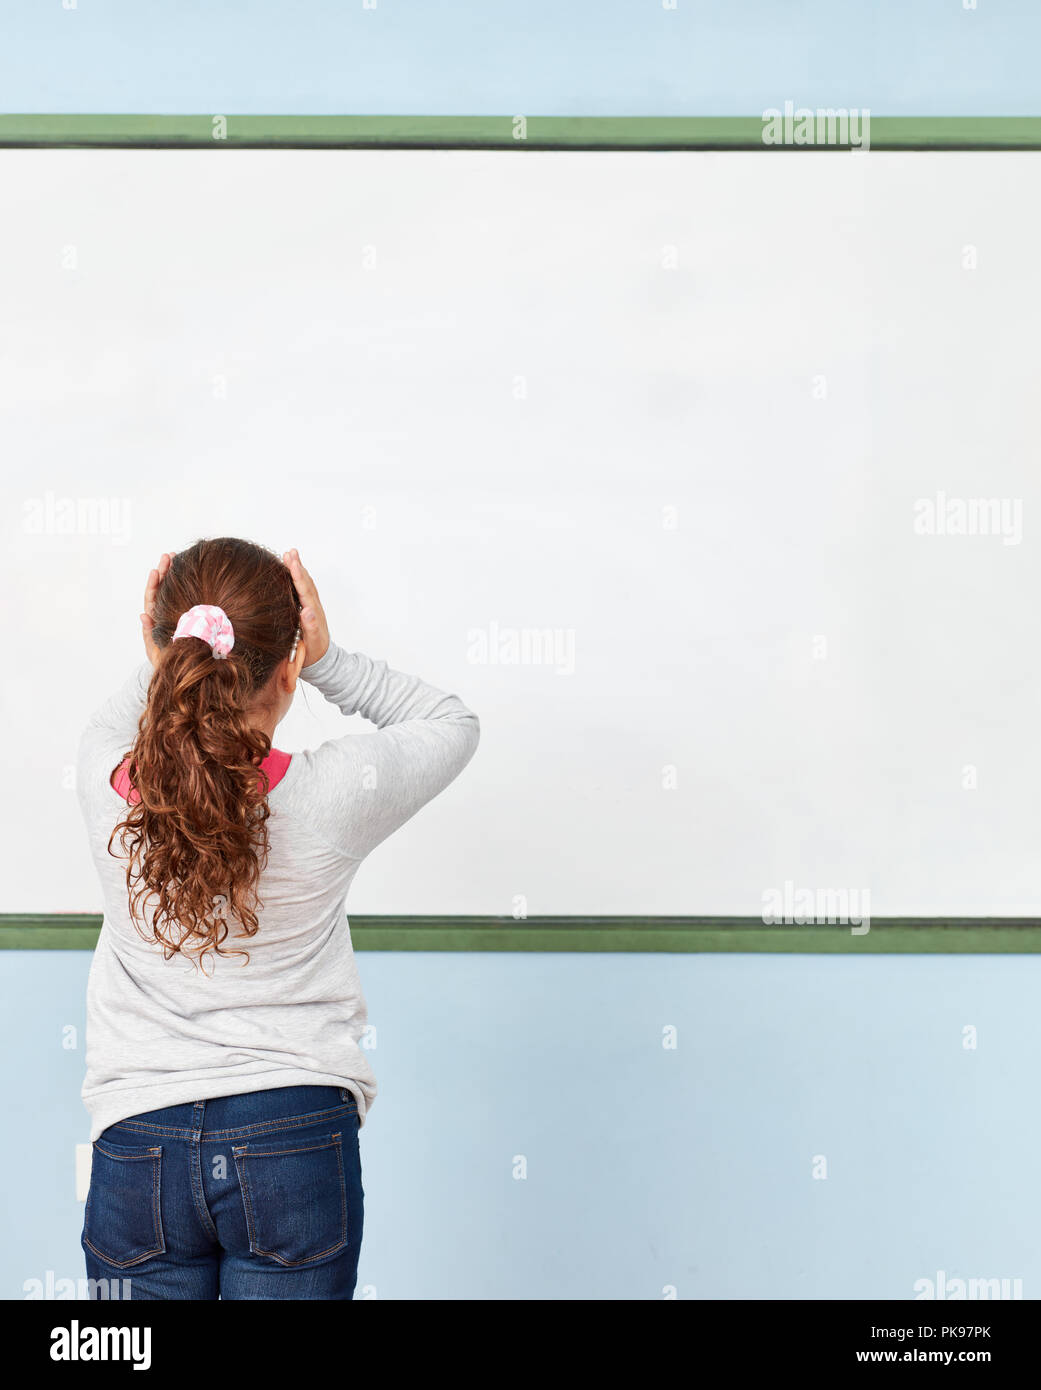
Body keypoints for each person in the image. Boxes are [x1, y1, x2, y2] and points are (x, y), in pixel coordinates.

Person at [75, 537, 480, 1299]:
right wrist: (325, 657)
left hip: (137, 1144)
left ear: (165, 654)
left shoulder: (103, 778)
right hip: (292, 1136)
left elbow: (151, 700)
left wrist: (171, 649)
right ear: (287, 665)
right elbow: (450, 723)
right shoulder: (335, 794)